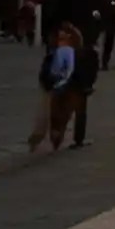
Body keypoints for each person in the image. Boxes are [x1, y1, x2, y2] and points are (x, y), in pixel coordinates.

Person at [28, 24, 81, 152]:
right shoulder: (56, 53)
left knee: (60, 113)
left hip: (64, 86)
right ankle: (45, 136)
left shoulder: (70, 52)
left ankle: (56, 135)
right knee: (47, 113)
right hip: (54, 85)